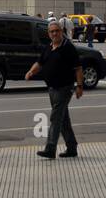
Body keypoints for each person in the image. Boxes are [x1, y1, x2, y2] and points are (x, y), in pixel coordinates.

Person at [26, 18, 83, 159]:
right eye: (52, 32)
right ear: (48, 34)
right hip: (52, 88)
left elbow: (78, 68)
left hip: (65, 88)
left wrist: (79, 86)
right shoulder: (49, 47)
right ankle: (72, 147)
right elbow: (40, 62)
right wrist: (31, 72)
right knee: (63, 119)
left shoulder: (68, 47)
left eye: (57, 31)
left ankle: (50, 149)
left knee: (56, 118)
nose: (54, 34)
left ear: (61, 32)